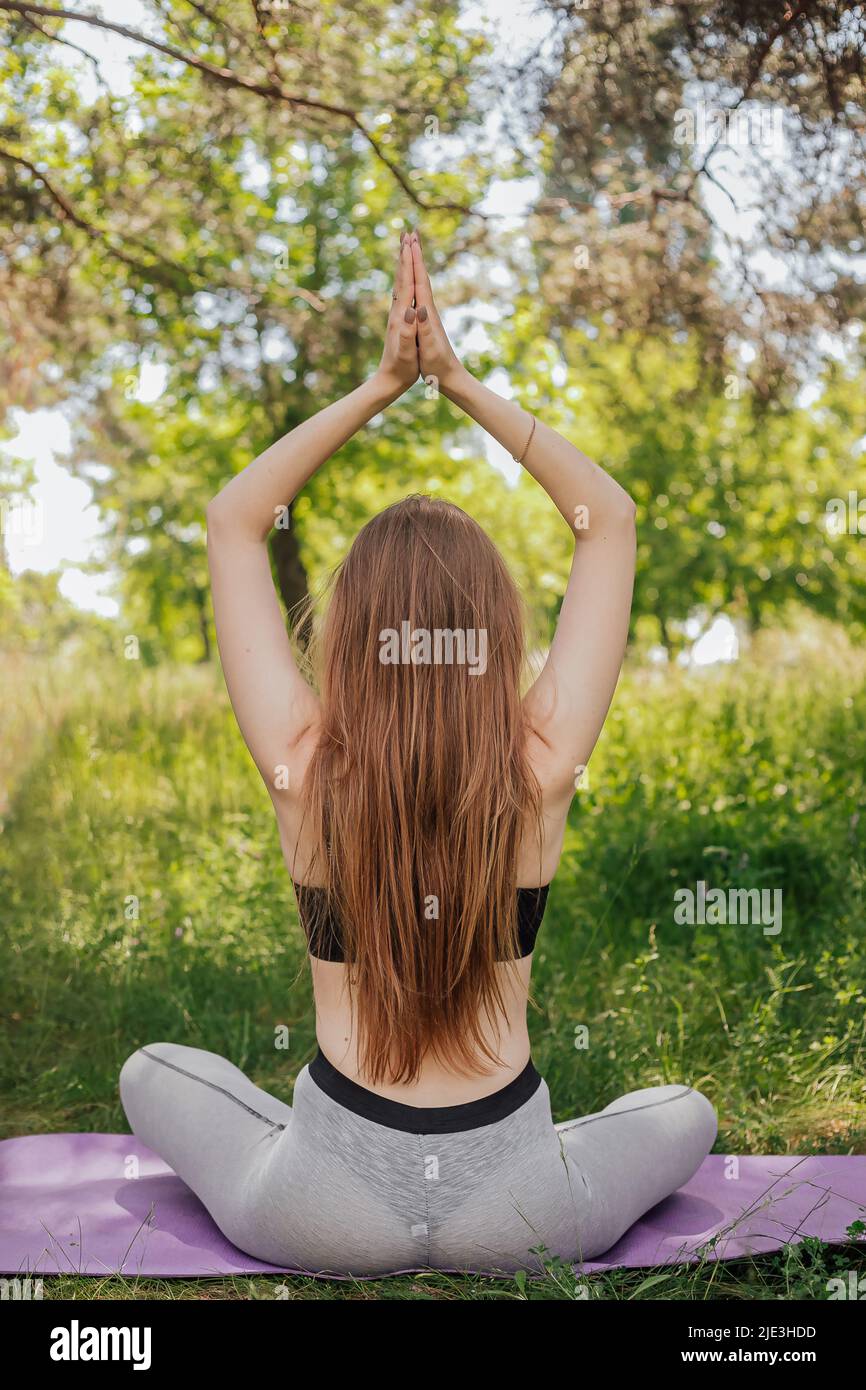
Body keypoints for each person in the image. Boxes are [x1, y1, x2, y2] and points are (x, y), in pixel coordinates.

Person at [120, 230, 717, 1276]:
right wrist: (457, 380)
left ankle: (282, 1134)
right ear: (492, 633)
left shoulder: (303, 765)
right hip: (522, 1208)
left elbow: (232, 520)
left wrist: (380, 384)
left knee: (151, 1068)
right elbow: (607, 520)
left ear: (349, 632)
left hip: (321, 1202)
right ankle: (551, 1150)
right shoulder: (536, 763)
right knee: (682, 1109)